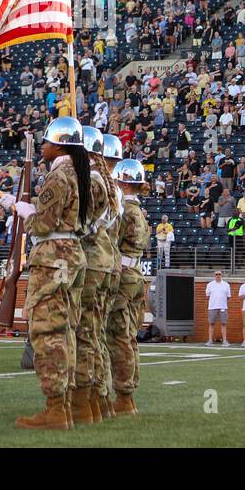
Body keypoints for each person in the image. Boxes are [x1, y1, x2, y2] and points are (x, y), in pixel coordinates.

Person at [0, 116, 88, 431]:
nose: (43, 147)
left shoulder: (59, 175)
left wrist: (24, 211)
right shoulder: (79, 174)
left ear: (59, 145)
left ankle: (55, 409)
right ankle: (65, 405)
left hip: (54, 256)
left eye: (47, 142)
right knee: (65, 330)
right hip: (70, 255)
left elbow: (43, 224)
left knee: (48, 330)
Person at [70, 127, 120, 425]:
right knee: (95, 334)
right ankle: (100, 400)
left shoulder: (96, 181)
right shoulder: (110, 184)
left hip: (91, 261)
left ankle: (87, 402)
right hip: (106, 262)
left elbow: (81, 222)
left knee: (85, 333)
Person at [107, 158, 150, 416]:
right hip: (135, 273)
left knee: (119, 335)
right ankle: (127, 394)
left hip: (123, 275)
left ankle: (124, 397)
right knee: (129, 337)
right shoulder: (139, 212)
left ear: (121, 181)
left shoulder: (124, 212)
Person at [205, 270, 231, 346]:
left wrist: (222, 303)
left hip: (223, 307)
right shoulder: (210, 284)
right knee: (211, 324)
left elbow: (228, 297)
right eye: (216, 274)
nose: (218, 275)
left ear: (221, 275)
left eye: (219, 274)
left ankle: (225, 341)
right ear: (214, 275)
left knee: (223, 324)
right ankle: (210, 340)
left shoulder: (226, 284)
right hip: (212, 307)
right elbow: (207, 296)